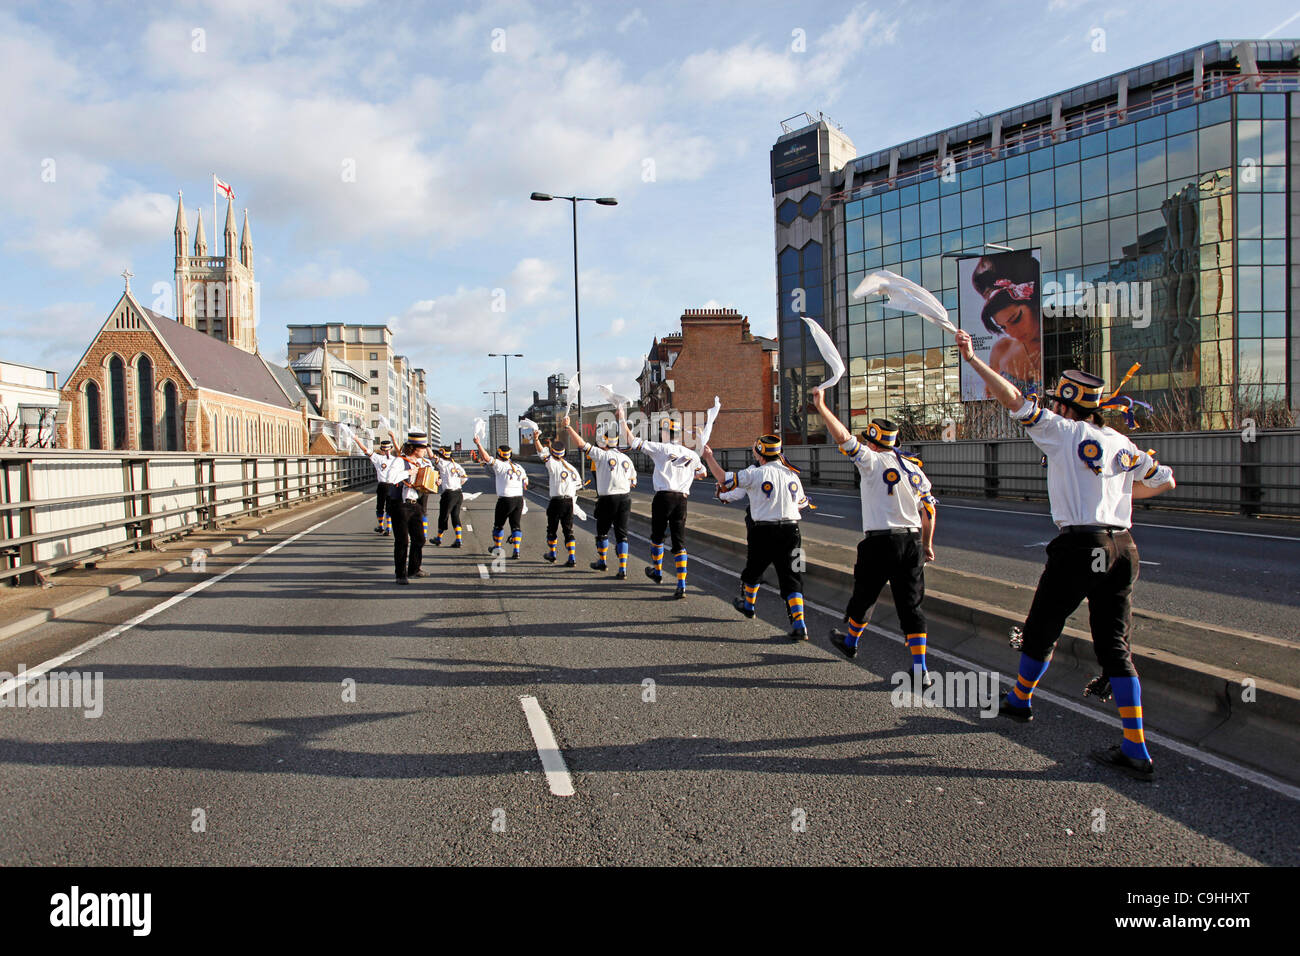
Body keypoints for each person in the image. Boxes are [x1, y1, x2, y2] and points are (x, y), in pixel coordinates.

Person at [957, 328, 1175, 781]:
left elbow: (1012, 398)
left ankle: (1020, 701)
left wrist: (973, 360)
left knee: (1042, 626)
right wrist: (1117, 489)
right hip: (1123, 547)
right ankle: (1136, 748)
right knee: (1115, 646)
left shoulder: (1059, 431)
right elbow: (1165, 481)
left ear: (1063, 404)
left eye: (1055, 400)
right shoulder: (1119, 441)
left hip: (1081, 545)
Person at [808, 388, 939, 685]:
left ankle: (852, 642)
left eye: (867, 440)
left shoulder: (871, 460)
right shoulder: (914, 469)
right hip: (913, 541)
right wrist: (927, 545)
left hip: (880, 541)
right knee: (912, 605)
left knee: (865, 594)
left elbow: (843, 438)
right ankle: (920, 669)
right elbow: (929, 510)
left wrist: (822, 406)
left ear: (872, 441)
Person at [701, 435, 811, 640]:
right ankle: (800, 625)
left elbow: (725, 479)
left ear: (760, 454)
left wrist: (708, 457)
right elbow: (802, 503)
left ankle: (749, 606)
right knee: (793, 576)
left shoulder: (754, 473)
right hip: (793, 532)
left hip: (763, 531)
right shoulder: (792, 474)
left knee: (753, 570)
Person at [618, 407, 706, 598]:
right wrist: (689, 475)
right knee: (679, 542)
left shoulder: (660, 448)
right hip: (682, 498)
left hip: (663, 497)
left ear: (665, 433)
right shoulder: (692, 454)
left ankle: (657, 571)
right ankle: (681, 584)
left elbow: (632, 441)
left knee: (657, 536)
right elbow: (703, 473)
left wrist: (623, 418)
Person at [355, 429, 435, 585]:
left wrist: (434, 483)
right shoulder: (400, 461)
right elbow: (391, 478)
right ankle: (400, 574)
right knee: (402, 541)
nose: (426, 451)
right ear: (414, 448)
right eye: (423, 448)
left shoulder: (425, 463)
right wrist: (408, 472)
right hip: (399, 505)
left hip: (415, 504)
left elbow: (429, 479)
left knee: (419, 539)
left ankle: (414, 568)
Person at [564, 415, 636, 578]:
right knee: (622, 534)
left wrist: (568, 428)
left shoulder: (601, 455)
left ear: (604, 443)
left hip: (608, 498)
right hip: (625, 498)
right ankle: (622, 568)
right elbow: (633, 482)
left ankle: (603, 562)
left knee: (602, 531)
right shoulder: (626, 459)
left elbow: (582, 444)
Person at [971, 254, 1042, 397]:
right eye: (1003, 327)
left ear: (1034, 304)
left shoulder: (1057, 347)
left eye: (1016, 319)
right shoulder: (1001, 350)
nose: (1013, 332)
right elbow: (988, 400)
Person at [530, 430, 582, 567]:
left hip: (556, 500)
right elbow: (579, 485)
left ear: (553, 452)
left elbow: (542, 453)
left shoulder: (552, 464)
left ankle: (552, 554)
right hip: (569, 501)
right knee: (568, 529)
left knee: (552, 528)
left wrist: (536, 439)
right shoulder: (571, 468)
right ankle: (572, 557)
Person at [473, 435, 528, 559]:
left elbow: (487, 458)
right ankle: (516, 551)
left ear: (499, 455)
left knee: (499, 525)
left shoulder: (500, 465)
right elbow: (526, 481)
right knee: (516, 525)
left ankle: (497, 547)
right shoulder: (519, 467)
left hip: (505, 499)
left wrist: (478, 444)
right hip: (519, 499)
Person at [431, 445, 468, 548]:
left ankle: (438, 538)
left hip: (449, 494)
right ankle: (458, 539)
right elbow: (464, 478)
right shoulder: (456, 465)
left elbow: (432, 457)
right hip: (458, 493)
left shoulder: (443, 464)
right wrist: (455, 483)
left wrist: (427, 447)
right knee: (455, 516)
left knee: (443, 516)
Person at [370, 438, 395, 534]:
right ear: (391, 449)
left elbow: (366, 451)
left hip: (382, 485)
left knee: (380, 506)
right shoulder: (395, 460)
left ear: (381, 449)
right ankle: (389, 527)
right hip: (392, 485)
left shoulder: (378, 458)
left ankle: (381, 526)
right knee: (389, 506)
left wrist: (356, 439)